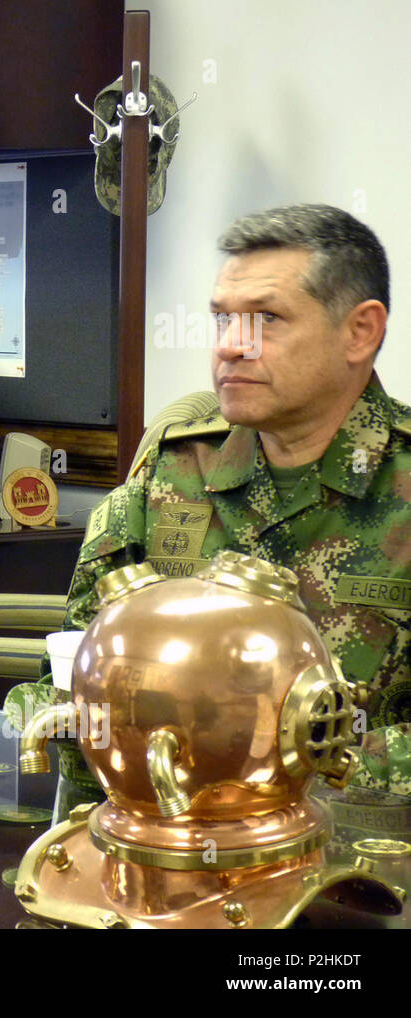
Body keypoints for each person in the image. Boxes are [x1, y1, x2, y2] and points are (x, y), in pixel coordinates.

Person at [64, 202, 409, 793]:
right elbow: (76, 668)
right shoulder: (170, 472)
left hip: (362, 864)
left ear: (360, 331)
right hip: (169, 842)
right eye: (223, 320)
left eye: (267, 319)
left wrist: (284, 764)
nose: (230, 346)